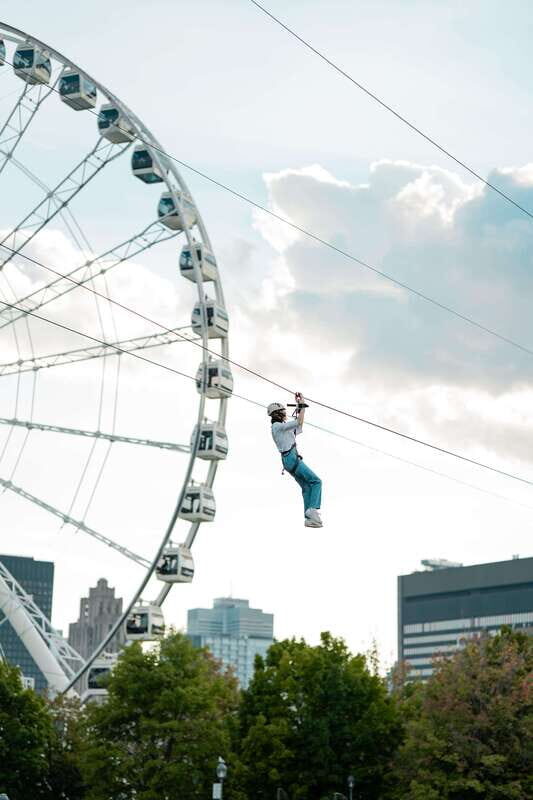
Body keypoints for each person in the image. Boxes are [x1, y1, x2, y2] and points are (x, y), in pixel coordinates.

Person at [268, 392, 323, 527]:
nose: (284, 414)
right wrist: (302, 406)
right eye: (282, 412)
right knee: (316, 482)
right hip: (291, 459)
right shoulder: (277, 427)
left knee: (305, 487)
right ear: (277, 414)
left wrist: (300, 406)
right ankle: (312, 510)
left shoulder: (282, 429)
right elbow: (298, 421)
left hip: (289, 460)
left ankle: (309, 517)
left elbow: (298, 425)